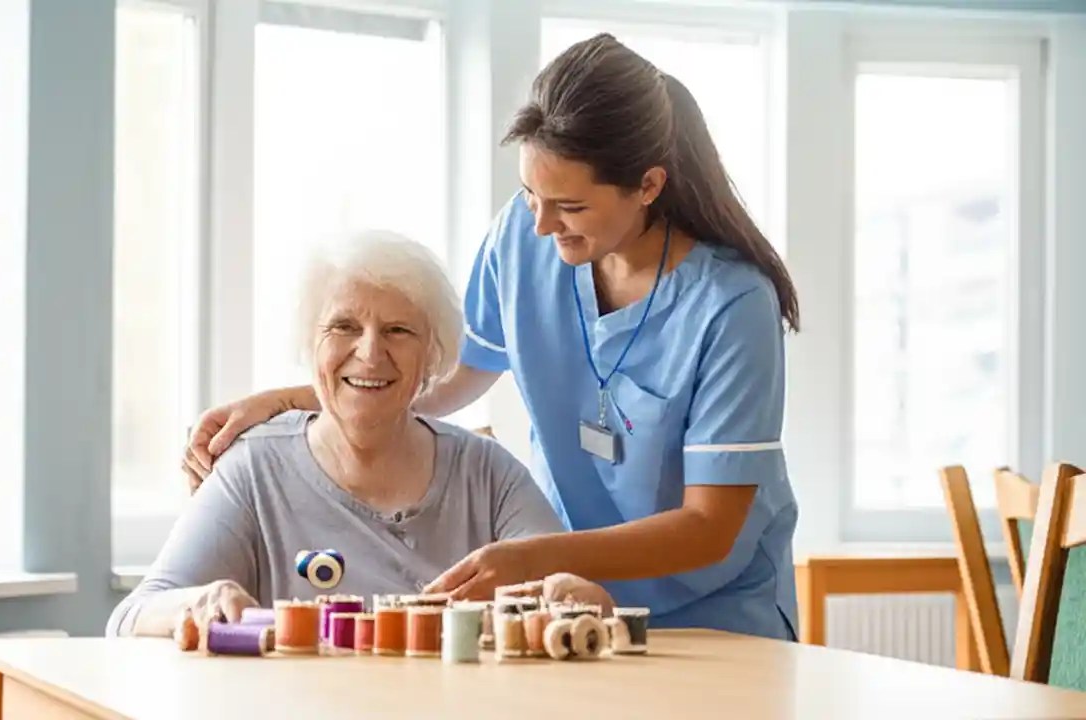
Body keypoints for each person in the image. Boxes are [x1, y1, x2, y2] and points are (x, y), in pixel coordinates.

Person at [183, 34, 799, 641]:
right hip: (575, 604)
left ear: (648, 186)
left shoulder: (732, 305)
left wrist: (529, 557)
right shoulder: (523, 238)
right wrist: (294, 400)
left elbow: (710, 527)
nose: (541, 222)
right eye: (530, 193)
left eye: (570, 206)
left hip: (716, 619)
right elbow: (437, 383)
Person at [108, 231, 612, 638]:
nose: (370, 353)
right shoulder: (254, 468)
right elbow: (131, 617)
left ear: (432, 358)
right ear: (310, 346)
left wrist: (577, 597)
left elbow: (572, 592)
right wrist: (199, 602)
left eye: (398, 331)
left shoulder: (488, 472)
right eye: (344, 327)